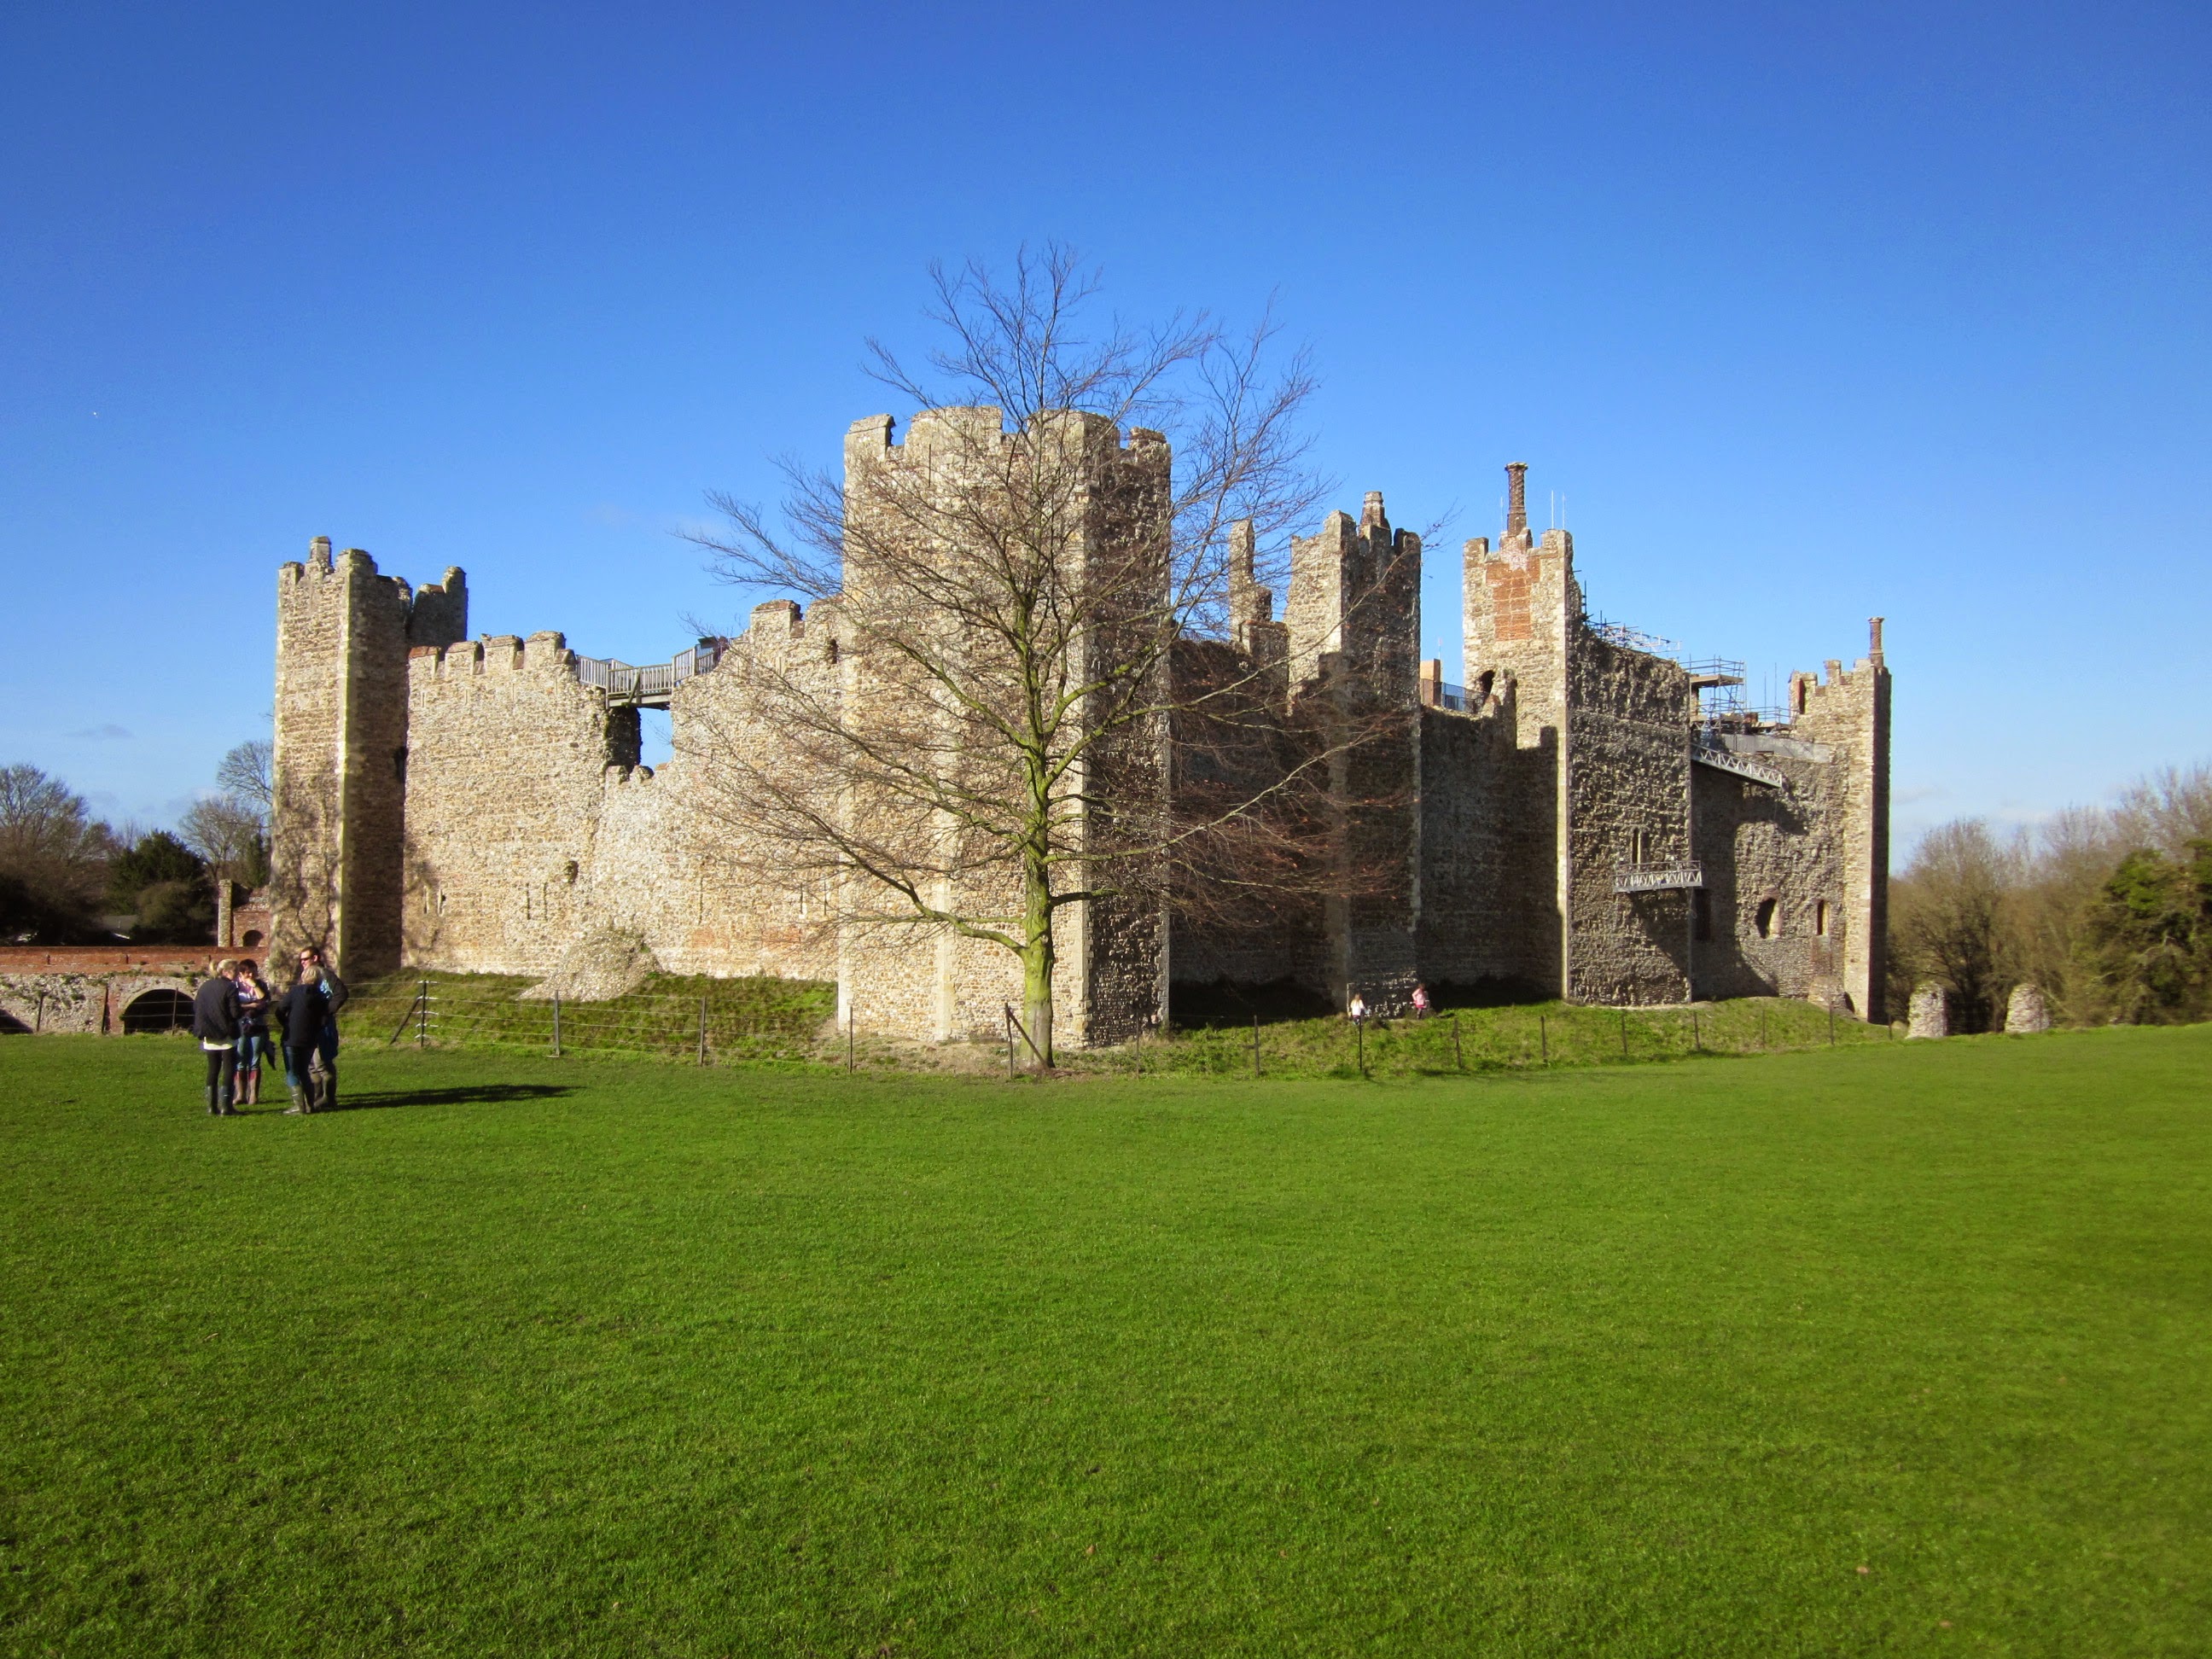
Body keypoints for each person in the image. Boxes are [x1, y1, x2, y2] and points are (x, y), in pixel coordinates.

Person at [278, 949, 333, 1114]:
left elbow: (280, 1010)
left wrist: (286, 1024)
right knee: (304, 1071)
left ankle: (299, 1106)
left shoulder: (295, 992)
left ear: (304, 977)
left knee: (292, 1072)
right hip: (310, 1039)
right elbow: (324, 1019)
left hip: (292, 1037)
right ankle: (310, 1105)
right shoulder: (322, 997)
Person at [191, 959, 242, 1115]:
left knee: (213, 1069)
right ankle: (227, 1107)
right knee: (229, 1070)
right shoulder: (230, 987)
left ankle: (212, 1107)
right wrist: (245, 1009)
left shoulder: (205, 986)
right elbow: (235, 1013)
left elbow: (197, 1007)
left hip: (208, 1032)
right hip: (226, 1034)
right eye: (235, 971)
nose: (237, 975)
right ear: (226, 971)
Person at [232, 958, 271, 1107]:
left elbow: (264, 1002)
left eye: (254, 972)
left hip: (258, 1026)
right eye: (248, 973)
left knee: (255, 1060)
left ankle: (254, 1095)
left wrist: (254, 985)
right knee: (240, 1060)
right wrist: (251, 1005)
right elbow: (233, 1006)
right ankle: (240, 1095)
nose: (251, 975)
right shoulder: (234, 986)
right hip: (240, 1027)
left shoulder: (261, 985)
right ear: (241, 974)